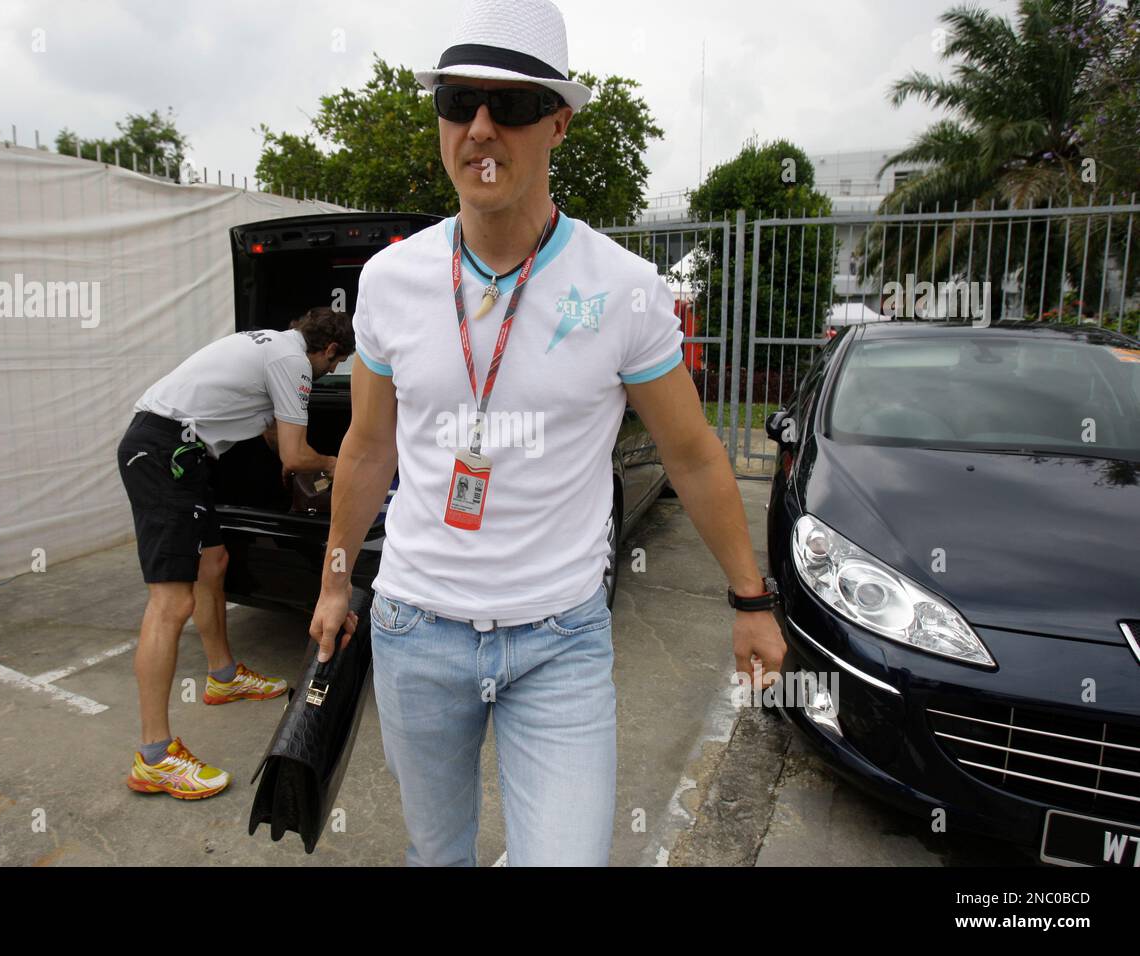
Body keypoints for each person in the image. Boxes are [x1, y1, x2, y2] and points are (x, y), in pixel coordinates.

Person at [310, 0, 787, 864]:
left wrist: (750, 599)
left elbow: (691, 453)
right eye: (459, 103)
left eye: (513, 107)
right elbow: (369, 447)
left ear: (558, 122)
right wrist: (336, 581)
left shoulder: (624, 288)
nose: (481, 128)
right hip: (416, 627)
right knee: (438, 855)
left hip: (558, 641)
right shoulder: (391, 280)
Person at [118, 306, 352, 798]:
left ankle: (223, 677)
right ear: (329, 350)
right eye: (336, 364)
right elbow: (295, 454)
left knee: (214, 564)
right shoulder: (292, 363)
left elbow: (274, 437)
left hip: (185, 453)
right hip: (163, 454)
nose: (332, 373)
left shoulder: (272, 342)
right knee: (171, 603)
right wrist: (346, 464)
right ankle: (154, 757)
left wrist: (295, 472)